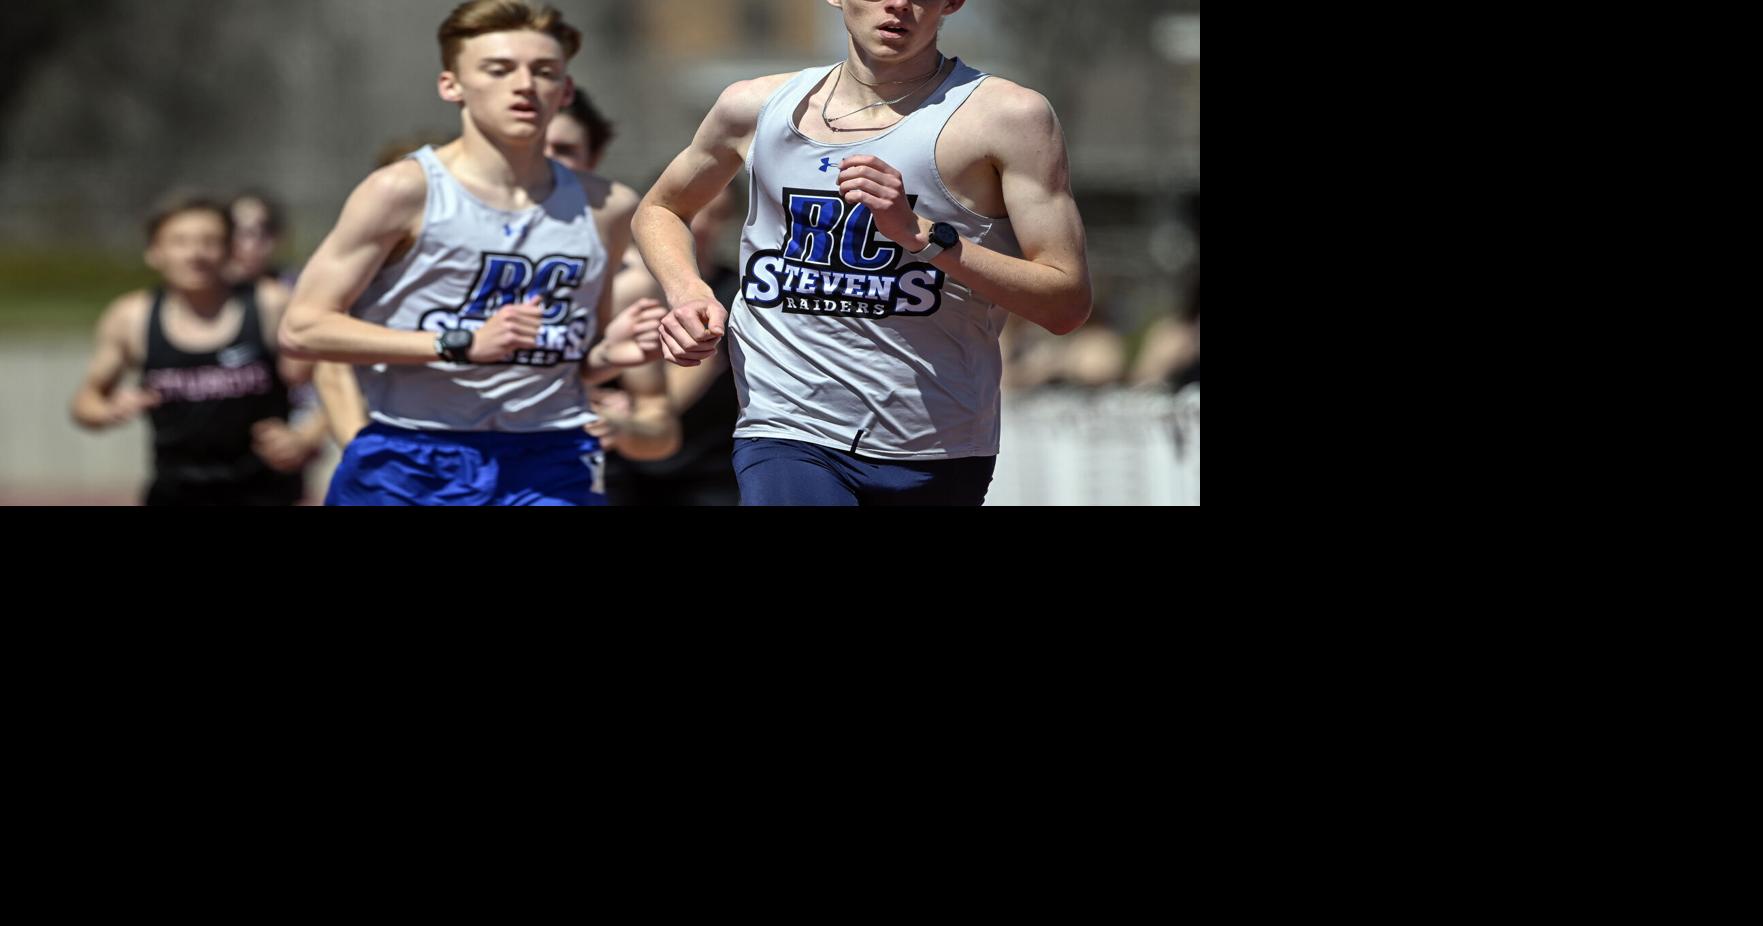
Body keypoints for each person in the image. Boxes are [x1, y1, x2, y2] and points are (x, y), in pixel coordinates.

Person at [633, 0, 1092, 506]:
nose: (897, 3)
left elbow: (1065, 302)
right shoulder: (753, 106)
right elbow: (661, 208)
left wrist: (923, 236)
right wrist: (687, 290)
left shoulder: (1008, 117)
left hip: (936, 441)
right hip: (787, 424)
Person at [279, 0, 663, 506]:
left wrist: (606, 356)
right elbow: (302, 327)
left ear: (565, 90)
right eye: (499, 70)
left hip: (549, 456)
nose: (524, 85)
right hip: (413, 454)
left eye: (544, 71)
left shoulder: (608, 207)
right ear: (451, 85)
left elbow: (567, 356)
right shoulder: (402, 191)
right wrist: (456, 342)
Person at [71, 194, 324, 505]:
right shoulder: (131, 318)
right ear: (154, 252)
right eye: (180, 242)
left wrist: (306, 436)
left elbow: (335, 380)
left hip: (264, 491)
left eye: (209, 241)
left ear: (230, 250)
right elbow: (86, 401)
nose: (195, 254)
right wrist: (108, 411)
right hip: (176, 491)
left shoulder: (270, 304)